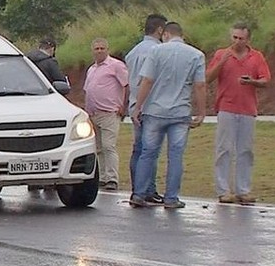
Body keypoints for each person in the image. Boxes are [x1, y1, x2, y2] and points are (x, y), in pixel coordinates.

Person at [130, 22, 206, 209]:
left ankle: (139, 194)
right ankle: (171, 197)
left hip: (155, 110)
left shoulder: (156, 52)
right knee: (176, 155)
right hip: (180, 111)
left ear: (165, 34)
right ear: (182, 35)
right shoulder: (196, 55)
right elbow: (200, 85)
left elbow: (147, 80)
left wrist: (138, 106)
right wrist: (202, 112)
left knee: (148, 153)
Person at [206, 23, 271, 205]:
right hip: (226, 107)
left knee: (245, 151)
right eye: (234, 37)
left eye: (241, 38)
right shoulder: (221, 54)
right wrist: (222, 61)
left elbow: (266, 80)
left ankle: (243, 189)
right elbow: (208, 77)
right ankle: (223, 190)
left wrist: (253, 82)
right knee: (224, 149)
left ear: (248, 39)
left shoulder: (256, 56)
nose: (237, 41)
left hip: (248, 108)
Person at [125, 14, 168, 204]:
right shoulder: (157, 50)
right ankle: (147, 189)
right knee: (150, 150)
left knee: (139, 149)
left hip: (135, 102)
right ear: (159, 30)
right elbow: (149, 80)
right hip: (149, 105)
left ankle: (139, 187)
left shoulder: (134, 51)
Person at [83, 38, 128, 190]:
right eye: (97, 49)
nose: (100, 51)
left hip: (109, 112)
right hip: (93, 113)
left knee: (109, 146)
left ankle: (112, 178)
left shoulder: (116, 65)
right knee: (98, 148)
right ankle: (102, 177)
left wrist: (123, 106)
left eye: (102, 48)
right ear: (92, 51)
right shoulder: (91, 69)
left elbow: (126, 85)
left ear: (107, 50)